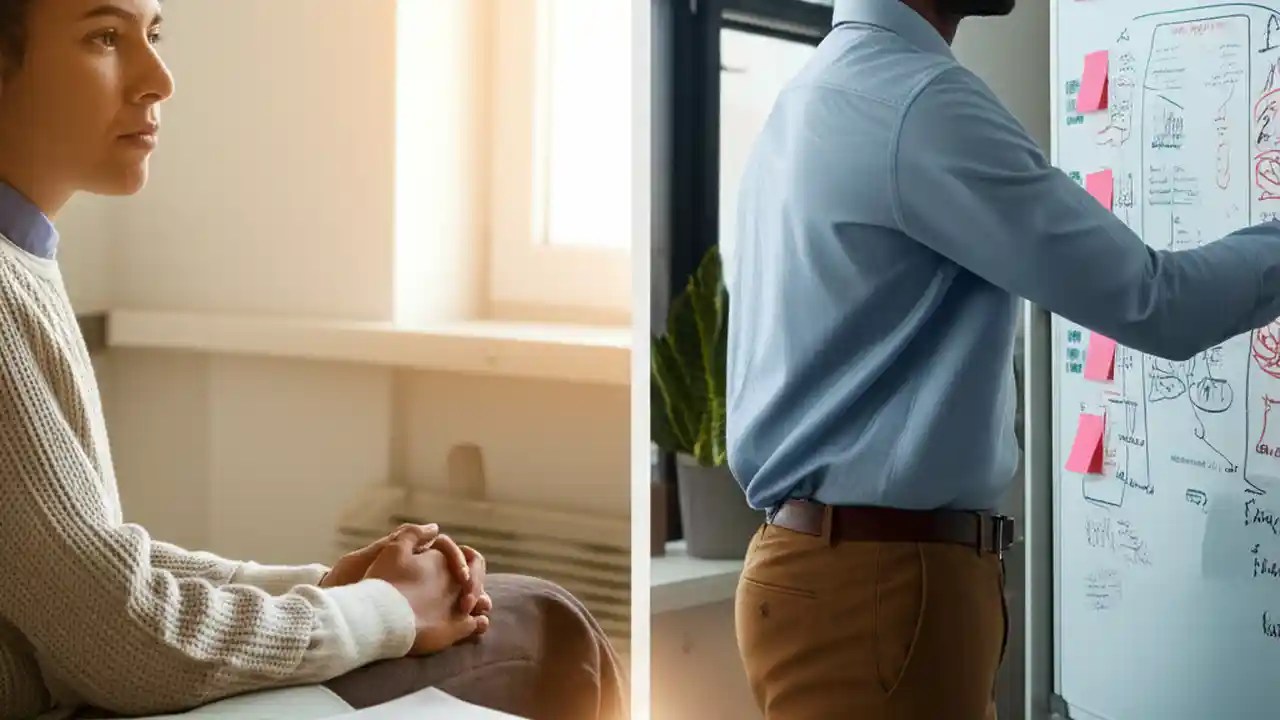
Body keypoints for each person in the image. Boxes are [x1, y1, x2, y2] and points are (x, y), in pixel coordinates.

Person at [0, 1, 626, 718]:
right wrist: (385, 611)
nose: (159, 79)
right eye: (105, 38)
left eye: (154, 33)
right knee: (540, 622)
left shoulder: (22, 257)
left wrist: (329, 587)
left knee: (524, 610)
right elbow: (120, 637)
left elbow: (72, 568)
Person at [725, 0, 1280, 717]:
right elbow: (1155, 302)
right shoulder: (916, 103)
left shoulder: (819, 91)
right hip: (880, 586)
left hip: (831, 572)